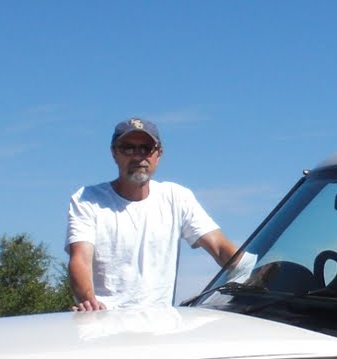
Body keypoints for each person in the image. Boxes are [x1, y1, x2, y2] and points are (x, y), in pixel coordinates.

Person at [67, 117, 245, 311]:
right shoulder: (87, 199)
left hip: (159, 327)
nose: (138, 156)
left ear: (158, 154)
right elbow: (80, 259)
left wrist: (260, 270)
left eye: (146, 148)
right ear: (114, 153)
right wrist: (88, 300)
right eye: (128, 148)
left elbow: (219, 247)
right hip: (104, 322)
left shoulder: (177, 197)